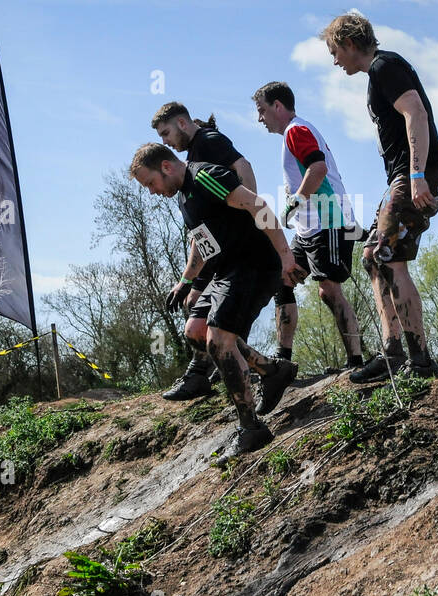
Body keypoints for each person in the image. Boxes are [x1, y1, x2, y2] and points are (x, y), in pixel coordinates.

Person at [130, 143, 303, 462]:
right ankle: (272, 371)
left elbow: (259, 206)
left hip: (253, 265)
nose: (152, 192)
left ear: (166, 167)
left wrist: (285, 256)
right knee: (195, 330)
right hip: (225, 272)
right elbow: (201, 240)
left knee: (219, 341)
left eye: (150, 183)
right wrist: (186, 281)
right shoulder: (183, 196)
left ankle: (251, 428)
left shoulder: (206, 176)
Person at [318, 11, 438, 382]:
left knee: (389, 257)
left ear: (349, 43)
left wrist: (418, 174)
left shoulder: (384, 67)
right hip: (403, 178)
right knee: (372, 257)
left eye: (335, 52)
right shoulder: (379, 72)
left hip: (418, 174)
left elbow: (416, 114)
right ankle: (392, 353)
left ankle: (420, 360)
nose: (334, 61)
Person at [151, 102, 299, 400]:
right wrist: (187, 278)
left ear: (182, 123)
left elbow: (243, 167)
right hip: (220, 249)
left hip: (243, 249)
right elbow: (200, 233)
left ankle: (207, 371)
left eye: (166, 133)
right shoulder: (191, 159)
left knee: (217, 327)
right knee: (196, 313)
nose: (165, 141)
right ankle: (219, 369)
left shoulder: (207, 142)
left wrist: (248, 213)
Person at [252, 80, 367, 371]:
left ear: (278, 106)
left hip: (329, 221)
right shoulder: (293, 133)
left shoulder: (296, 130)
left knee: (329, 289)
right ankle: (284, 361)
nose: (259, 118)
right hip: (309, 228)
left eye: (262, 110)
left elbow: (318, 168)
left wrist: (294, 202)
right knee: (284, 276)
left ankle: (355, 361)